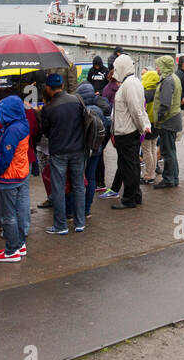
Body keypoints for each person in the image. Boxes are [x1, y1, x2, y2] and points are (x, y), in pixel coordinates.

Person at [40, 72, 87, 235]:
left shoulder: (48, 108)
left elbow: (45, 131)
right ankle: (80, 222)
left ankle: (61, 225)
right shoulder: (77, 100)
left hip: (58, 151)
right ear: (62, 85)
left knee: (58, 188)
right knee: (78, 186)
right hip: (78, 149)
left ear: (48, 88)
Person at [0, 95, 32, 261]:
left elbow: (7, 155)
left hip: (9, 176)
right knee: (21, 210)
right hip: (22, 172)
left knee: (8, 215)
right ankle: (20, 244)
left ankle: (11, 250)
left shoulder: (12, 130)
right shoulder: (23, 124)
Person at [110, 53, 150, 209]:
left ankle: (129, 198)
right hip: (127, 132)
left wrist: (142, 128)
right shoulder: (133, 82)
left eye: (115, 68)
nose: (114, 72)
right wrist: (142, 126)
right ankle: (135, 195)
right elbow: (138, 109)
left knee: (129, 167)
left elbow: (136, 110)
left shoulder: (129, 84)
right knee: (131, 165)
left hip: (127, 133)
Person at [76, 82, 109, 217]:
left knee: (78, 178)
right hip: (95, 149)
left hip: (80, 150)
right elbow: (106, 126)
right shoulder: (98, 110)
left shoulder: (79, 110)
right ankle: (87, 209)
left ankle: (75, 208)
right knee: (91, 178)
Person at [153, 55, 183, 188]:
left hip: (168, 121)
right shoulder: (174, 78)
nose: (156, 68)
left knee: (167, 151)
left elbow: (165, 104)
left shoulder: (168, 81)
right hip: (173, 119)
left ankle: (169, 179)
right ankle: (174, 177)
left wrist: (159, 118)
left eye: (158, 65)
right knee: (171, 150)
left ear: (164, 67)